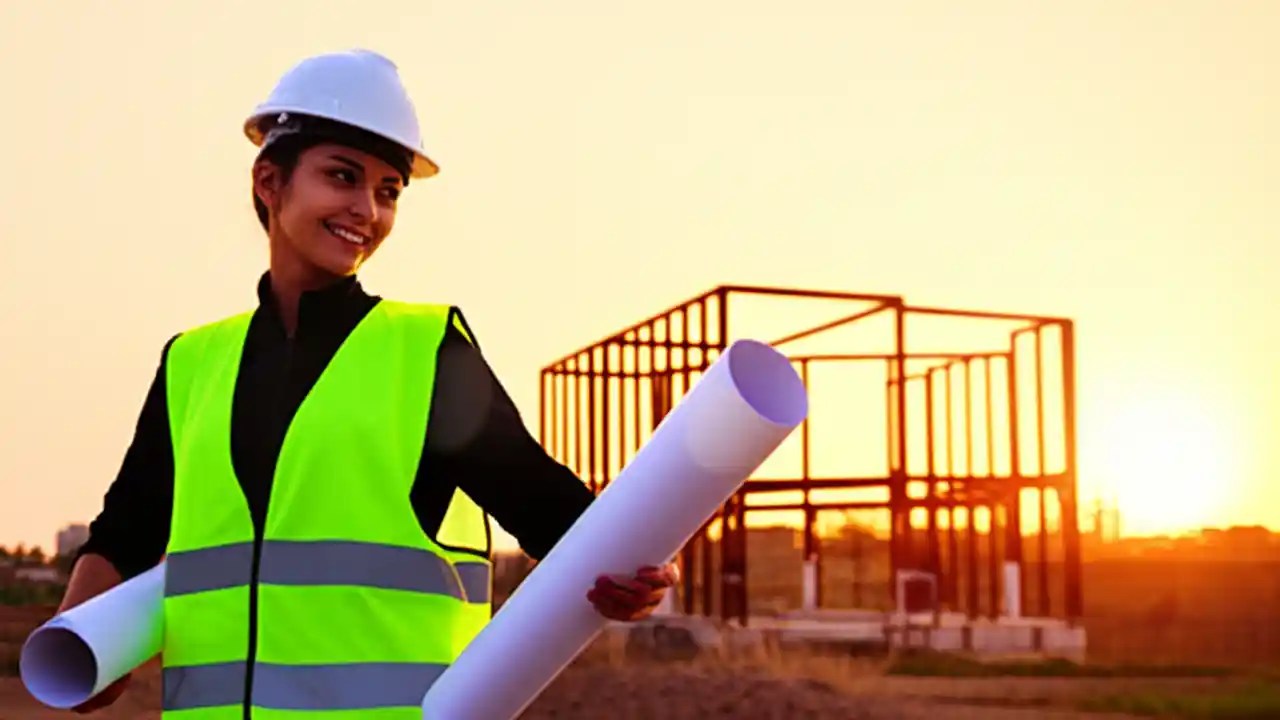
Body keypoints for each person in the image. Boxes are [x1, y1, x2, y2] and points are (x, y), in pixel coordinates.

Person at [56, 48, 678, 717]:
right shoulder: (192, 364)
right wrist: (73, 647)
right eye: (343, 177)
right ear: (270, 181)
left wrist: (640, 570)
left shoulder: (426, 352)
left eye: (388, 192)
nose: (367, 211)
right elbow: (126, 531)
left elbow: (545, 506)